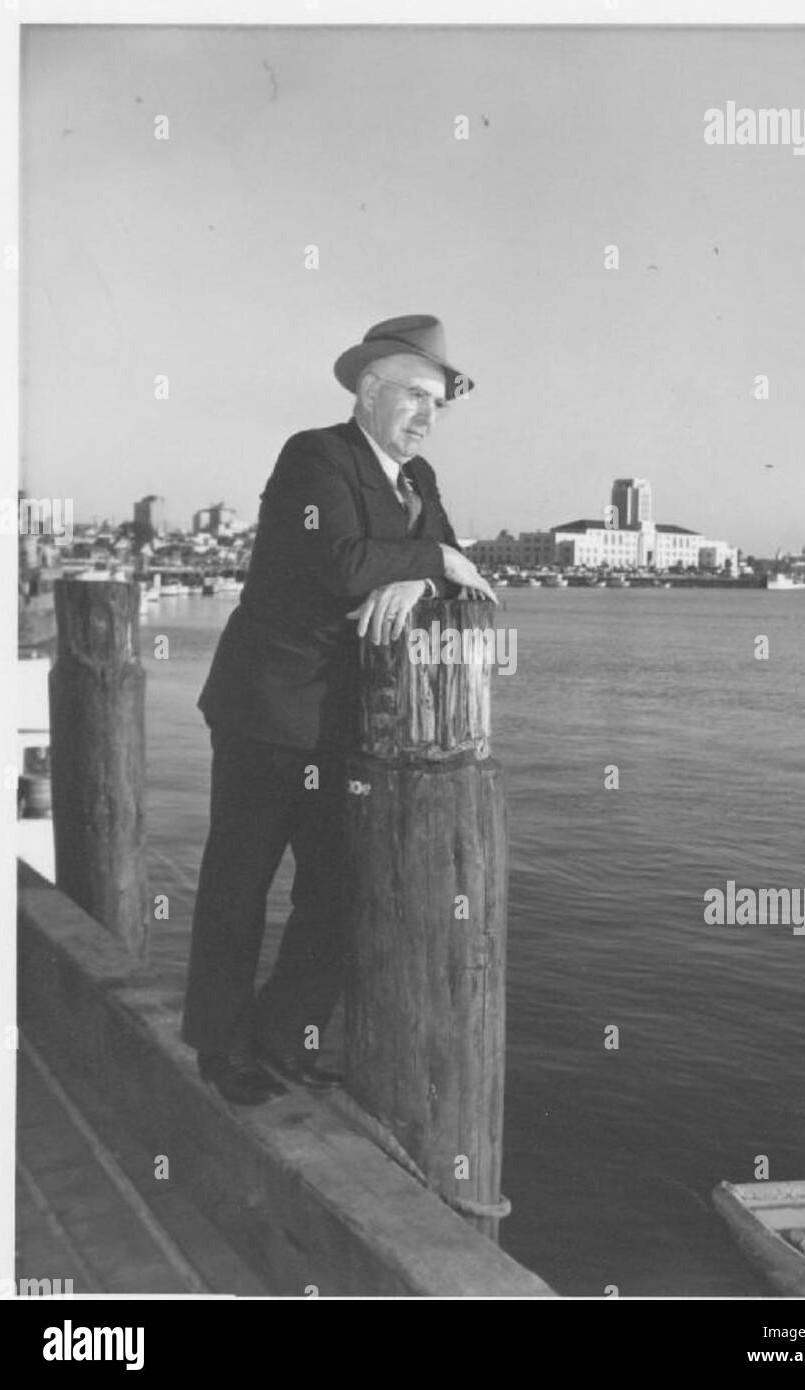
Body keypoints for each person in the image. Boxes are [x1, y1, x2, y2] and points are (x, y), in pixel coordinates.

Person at [181, 315, 495, 1104]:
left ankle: (283, 1036)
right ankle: (219, 1050)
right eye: (414, 396)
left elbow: (446, 569)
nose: (427, 416)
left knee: (336, 885)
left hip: (342, 724)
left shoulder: (416, 482)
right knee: (239, 883)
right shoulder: (316, 456)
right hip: (266, 710)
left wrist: (421, 578)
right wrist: (433, 560)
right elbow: (339, 560)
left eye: (439, 403)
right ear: (366, 390)